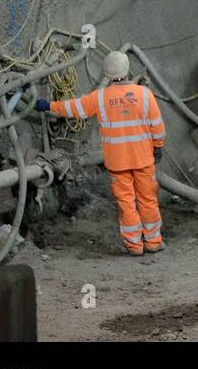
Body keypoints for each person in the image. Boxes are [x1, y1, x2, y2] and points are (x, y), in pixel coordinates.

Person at [36, 51, 166, 256]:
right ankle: (153, 242)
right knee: (148, 200)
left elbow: (74, 108)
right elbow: (157, 126)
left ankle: (134, 246)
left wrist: (48, 106)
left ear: (106, 72)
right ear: (127, 70)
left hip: (118, 162)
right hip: (143, 158)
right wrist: (157, 146)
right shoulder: (144, 94)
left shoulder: (100, 97)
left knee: (126, 203)